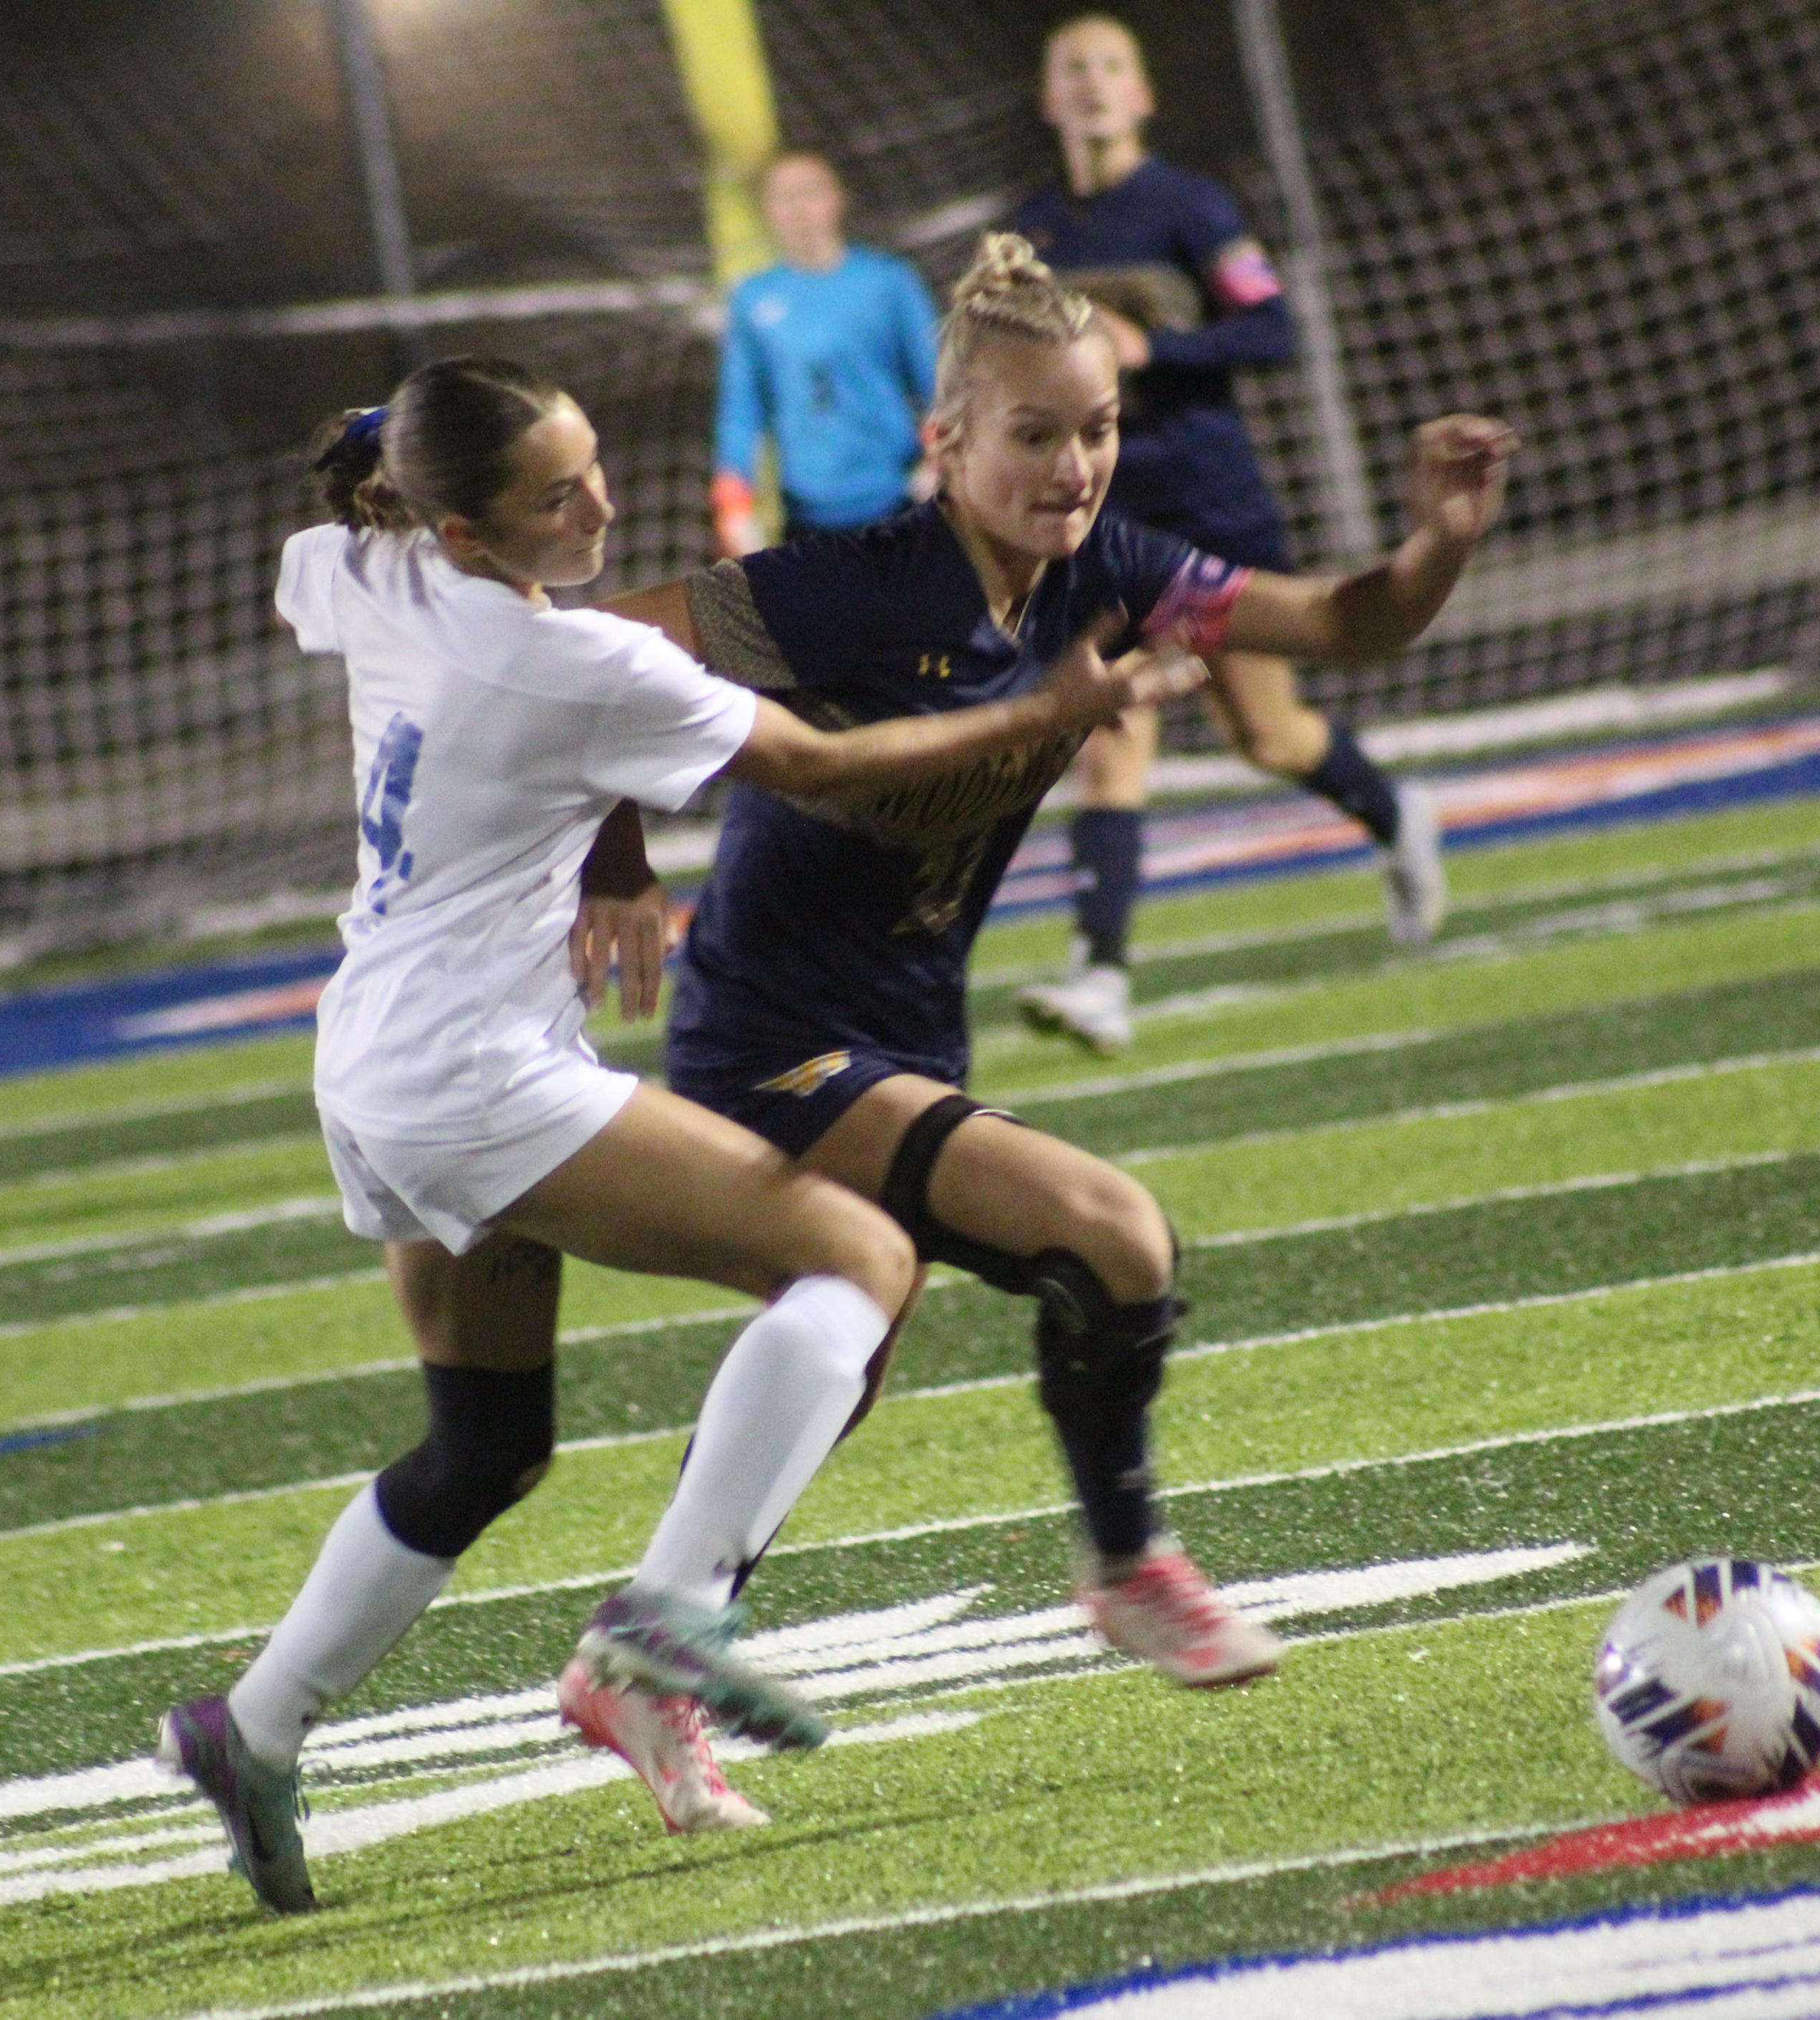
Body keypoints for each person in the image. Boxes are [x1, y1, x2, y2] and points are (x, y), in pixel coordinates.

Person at [156, 355, 1195, 1913]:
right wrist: (1047, 708)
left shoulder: (364, 566)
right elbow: (827, 766)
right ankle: (668, 1618)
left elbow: (325, 552)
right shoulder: (571, 663)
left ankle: (254, 1727)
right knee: (856, 1251)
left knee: (488, 1443)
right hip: (473, 1074)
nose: (600, 506)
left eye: (589, 467)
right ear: (460, 526)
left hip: (372, 1054)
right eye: (556, 495)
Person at [604, 238, 1509, 1763]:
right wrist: (613, 860)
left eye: (1094, 431)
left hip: (900, 1038)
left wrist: (1441, 540)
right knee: (1110, 1232)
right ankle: (1127, 1563)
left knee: (838, 1357)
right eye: (1035, 434)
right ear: (946, 443)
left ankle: (645, 1656)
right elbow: (597, 654)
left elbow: (1344, 624)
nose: (1075, 464)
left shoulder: (1116, 575)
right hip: (765, 1046)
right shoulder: (845, 588)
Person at [1009, 12, 1447, 1055]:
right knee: (1107, 748)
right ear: (1047, 100)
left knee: (1269, 737)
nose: (1093, 83)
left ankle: (1397, 816)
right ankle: (1100, 978)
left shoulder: (1189, 206)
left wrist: (1149, 347)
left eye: (1111, 66)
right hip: (1101, 526)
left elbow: (1272, 327)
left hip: (1209, 511)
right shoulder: (1032, 231)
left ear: (1142, 94)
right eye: (1073, 69)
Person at [711, 150, 942, 558]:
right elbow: (741, 408)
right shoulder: (753, 299)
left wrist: (939, 462)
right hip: (805, 514)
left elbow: (940, 383)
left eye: (810, 191)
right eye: (784, 197)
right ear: (767, 211)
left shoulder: (889, 282)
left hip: (898, 501)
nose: (799, 208)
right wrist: (733, 500)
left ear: (838, 197)